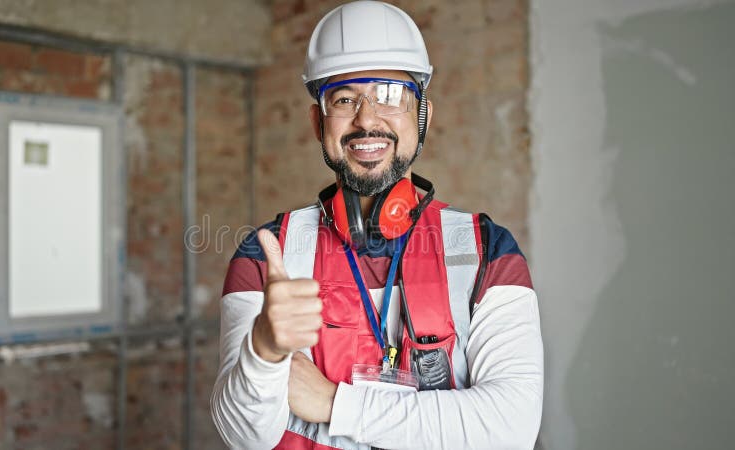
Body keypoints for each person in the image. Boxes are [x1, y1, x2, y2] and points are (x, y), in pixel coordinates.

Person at [210, 1, 543, 449]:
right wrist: (264, 352)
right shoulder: (267, 255)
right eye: (344, 99)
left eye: (389, 94)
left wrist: (333, 403)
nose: (367, 119)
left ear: (421, 116)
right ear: (318, 122)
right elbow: (243, 438)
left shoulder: (487, 250)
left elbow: (511, 428)